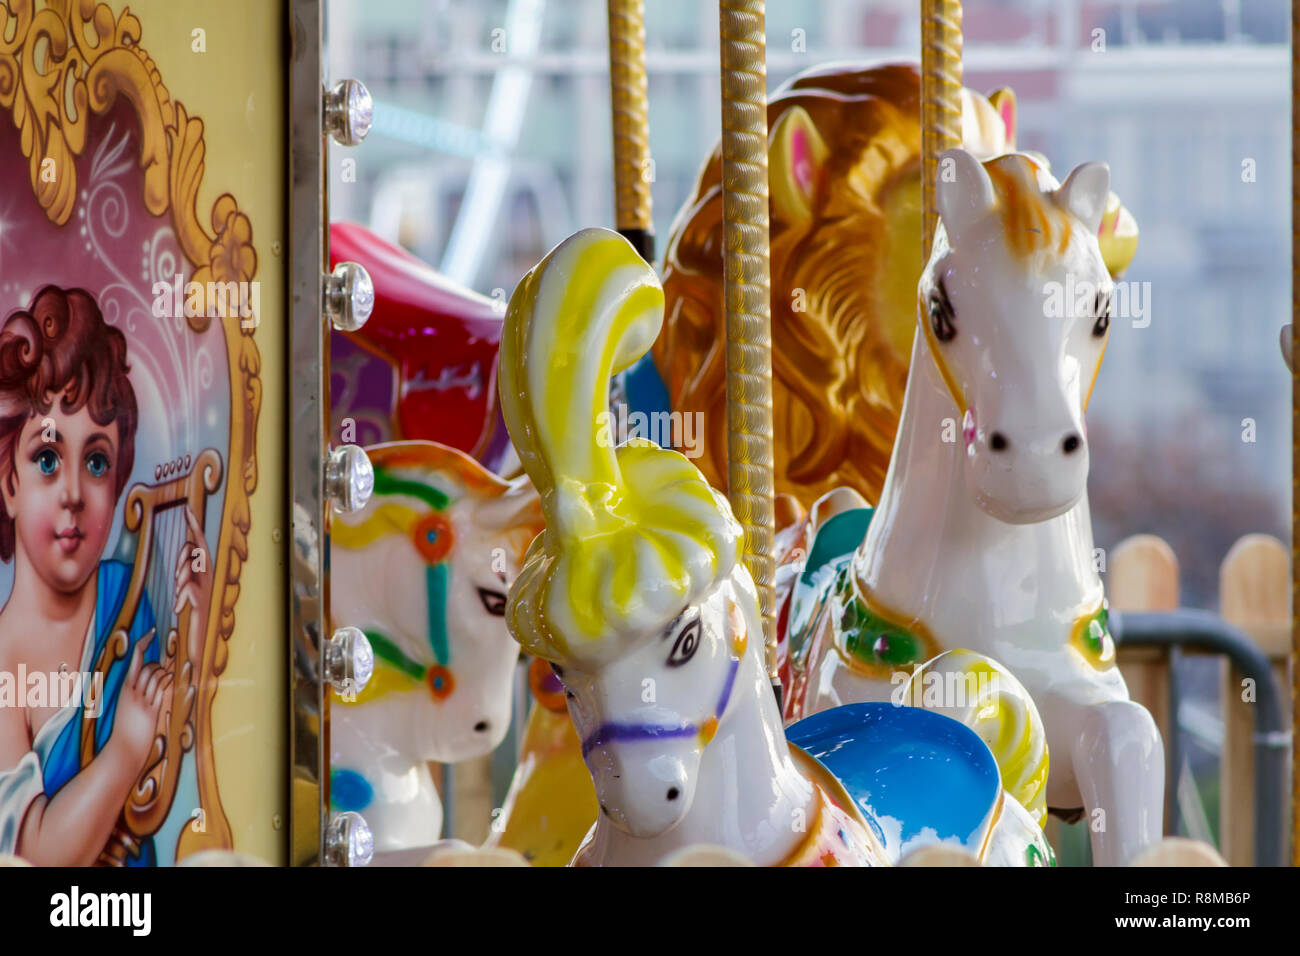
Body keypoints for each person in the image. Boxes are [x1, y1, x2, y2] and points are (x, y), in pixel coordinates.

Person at [0, 286, 176, 865]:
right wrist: (125, 747)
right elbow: (35, 855)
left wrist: (198, 610)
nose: (74, 493)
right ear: (8, 484)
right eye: (47, 460)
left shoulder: (129, 597)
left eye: (96, 461)